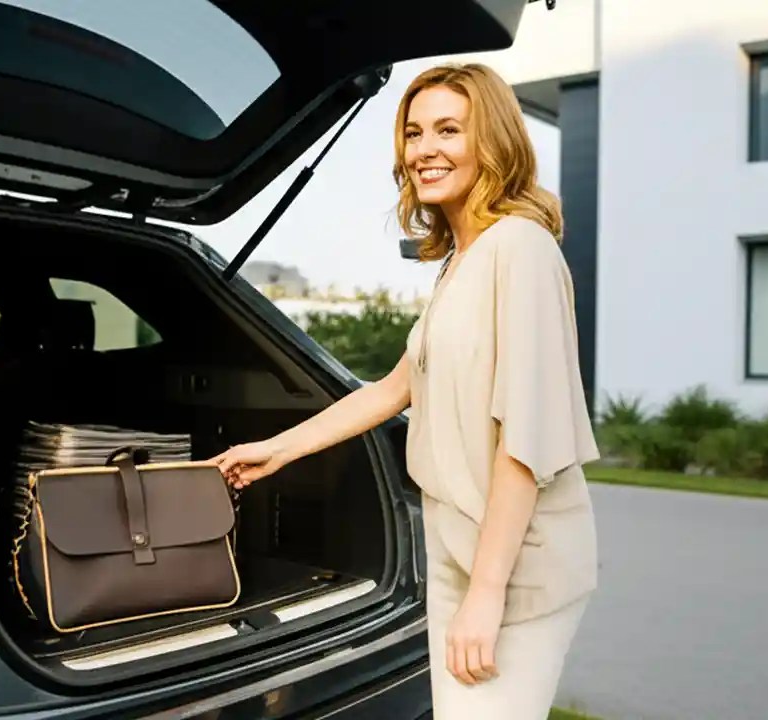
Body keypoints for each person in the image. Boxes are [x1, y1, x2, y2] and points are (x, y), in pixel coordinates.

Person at [212, 62, 600, 718]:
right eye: (414, 133)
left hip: (515, 563)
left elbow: (526, 443)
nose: (424, 149)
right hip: (459, 551)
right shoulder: (462, 263)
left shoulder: (522, 250)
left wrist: (487, 592)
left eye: (448, 129)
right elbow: (394, 388)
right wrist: (276, 449)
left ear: (493, 140)